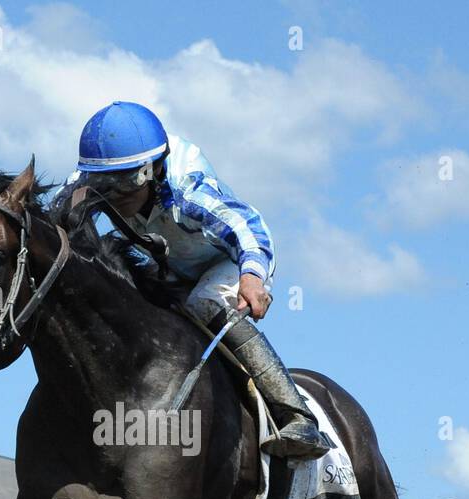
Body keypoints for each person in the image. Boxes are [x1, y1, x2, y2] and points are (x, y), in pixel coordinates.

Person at [68, 101, 328, 459]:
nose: (114, 194)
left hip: (226, 262)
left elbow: (248, 227)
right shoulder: (102, 179)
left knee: (203, 303)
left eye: (125, 182)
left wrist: (252, 278)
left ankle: (296, 415)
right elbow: (55, 217)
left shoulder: (189, 192)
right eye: (103, 184)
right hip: (170, 268)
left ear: (151, 171)